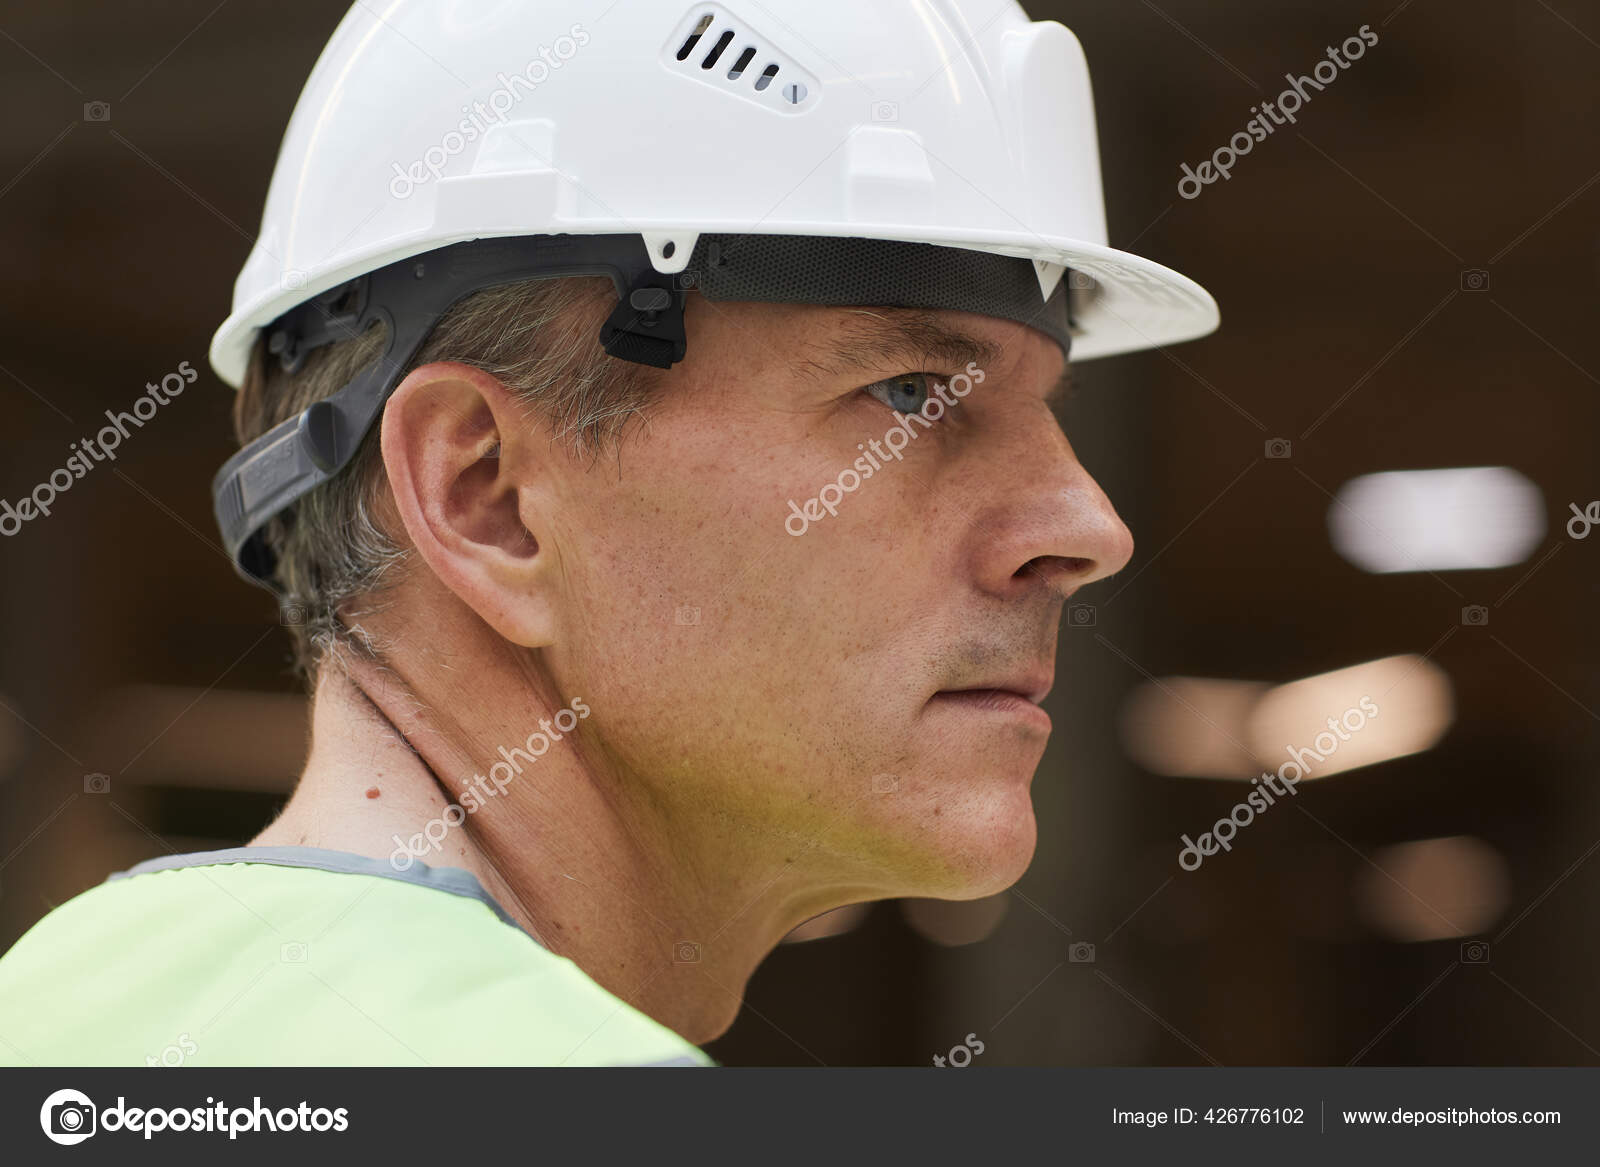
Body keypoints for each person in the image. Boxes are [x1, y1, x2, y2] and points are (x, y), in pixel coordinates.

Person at [0, 0, 1216, 1065]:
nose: (1085, 526)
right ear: (486, 494)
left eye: (1039, 410)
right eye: (909, 393)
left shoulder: (59, 1010)